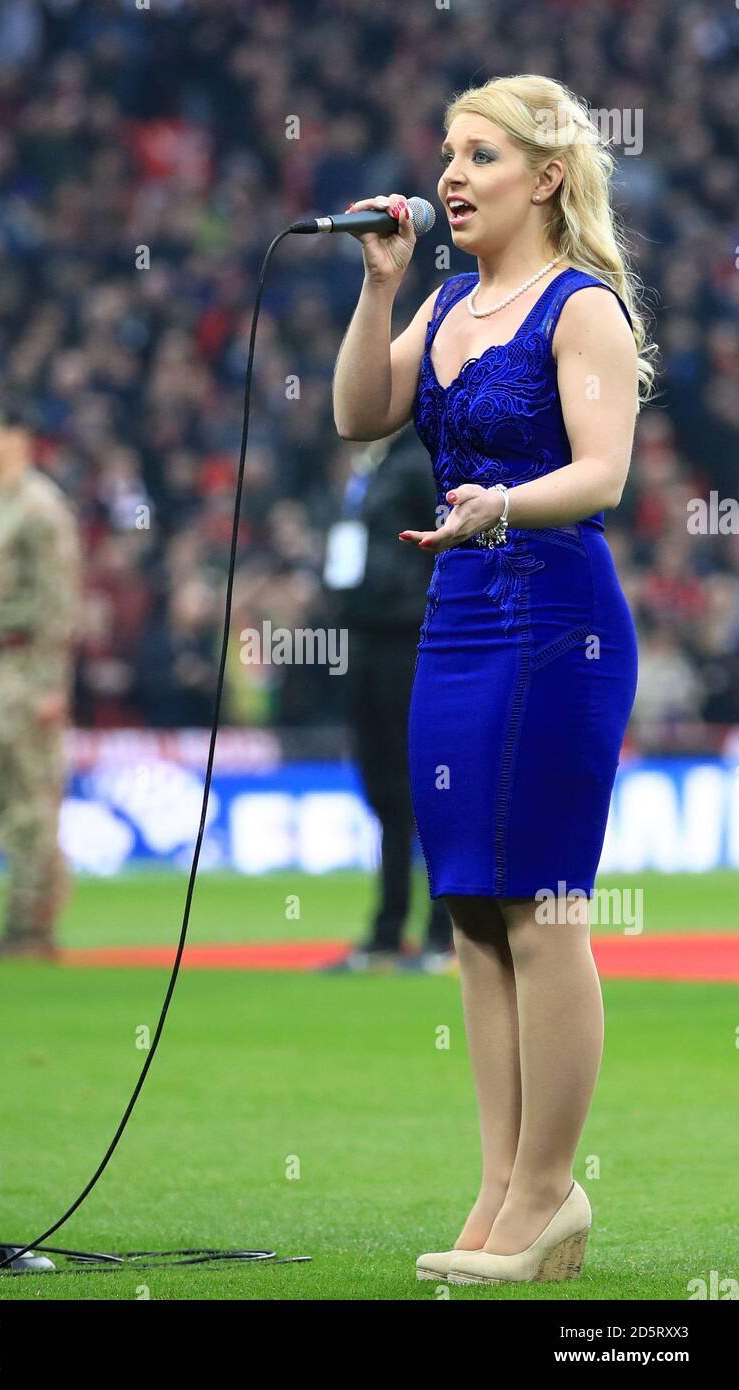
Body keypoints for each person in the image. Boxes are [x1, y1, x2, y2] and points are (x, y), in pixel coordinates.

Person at [333, 74, 655, 1284]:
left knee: (545, 905)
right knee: (471, 907)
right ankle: (498, 1188)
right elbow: (358, 413)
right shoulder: (451, 305)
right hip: (456, 612)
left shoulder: (582, 308)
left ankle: (545, 1191)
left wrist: (499, 504)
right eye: (446, 153)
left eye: (478, 156)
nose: (450, 176)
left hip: (553, 614)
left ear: (548, 176)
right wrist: (379, 287)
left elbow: (602, 474)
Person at [323, 426, 454, 973]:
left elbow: (447, 543)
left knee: (423, 791)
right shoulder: (374, 463)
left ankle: (443, 935)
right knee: (386, 792)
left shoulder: (422, 457)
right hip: (368, 637)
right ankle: (386, 931)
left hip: (409, 637)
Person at [0, 405, 82, 960]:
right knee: (4, 794)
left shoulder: (40, 507)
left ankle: (35, 925)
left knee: (34, 795)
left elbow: (60, 602)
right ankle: (21, 914)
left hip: (26, 668)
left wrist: (53, 685)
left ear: (14, 436)